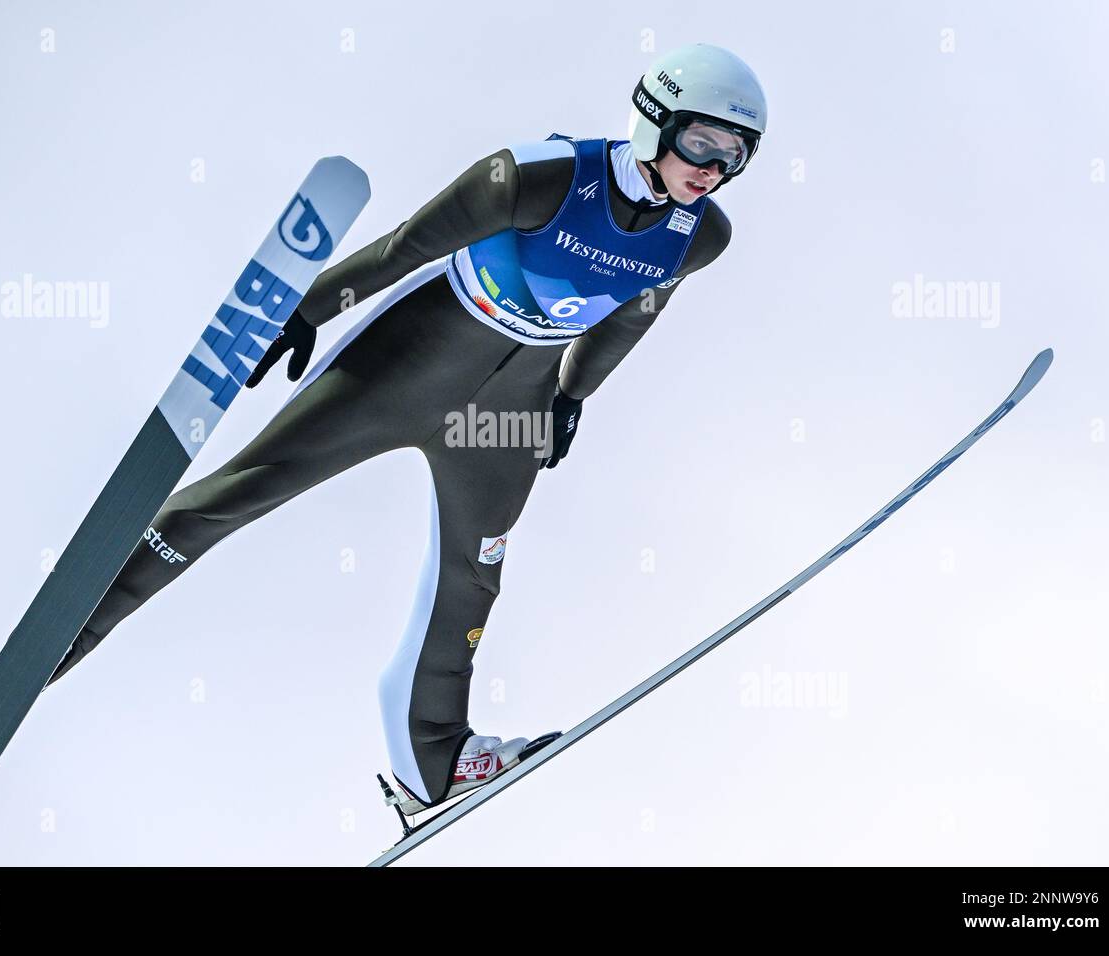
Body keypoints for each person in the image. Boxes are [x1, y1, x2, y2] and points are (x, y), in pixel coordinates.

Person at [45, 43, 769, 813]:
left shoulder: (700, 237)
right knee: (248, 490)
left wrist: (572, 396)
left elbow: (633, 313)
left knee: (475, 571)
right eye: (702, 141)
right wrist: (303, 311)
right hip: (410, 363)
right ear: (654, 120)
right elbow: (401, 249)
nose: (713, 168)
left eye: (735, 155)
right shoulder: (536, 178)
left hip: (506, 414)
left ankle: (434, 760)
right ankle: (63, 633)